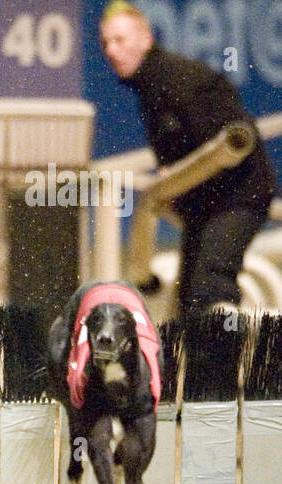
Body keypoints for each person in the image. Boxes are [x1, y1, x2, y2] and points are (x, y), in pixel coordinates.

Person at [100, 0, 277, 318]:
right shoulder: (153, 85)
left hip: (238, 196)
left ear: (146, 38)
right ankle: (202, 367)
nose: (111, 51)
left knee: (210, 288)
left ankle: (229, 361)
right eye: (105, 43)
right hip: (208, 203)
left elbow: (237, 142)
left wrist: (176, 180)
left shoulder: (179, 78)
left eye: (119, 39)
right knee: (191, 299)